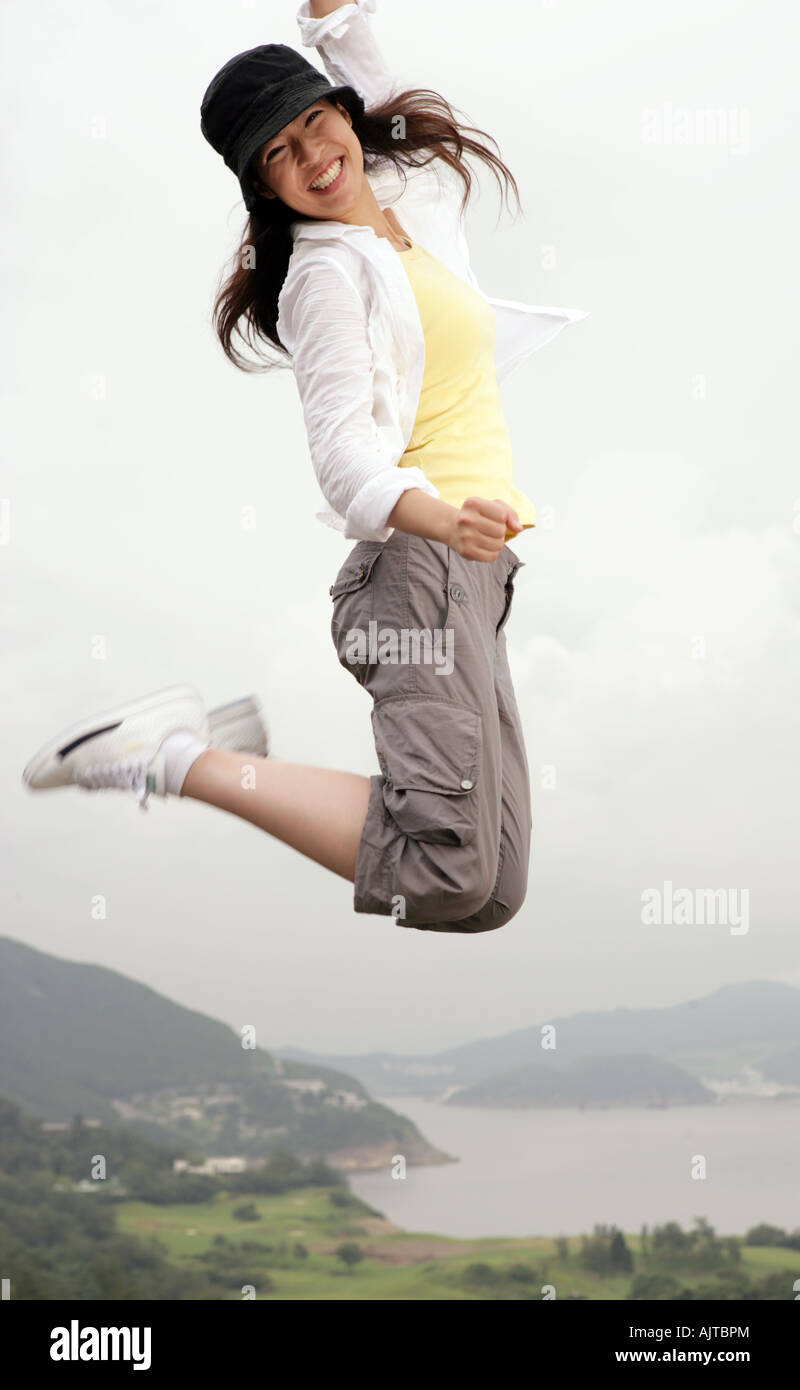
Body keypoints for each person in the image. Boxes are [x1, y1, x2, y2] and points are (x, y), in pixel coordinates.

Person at [22, 0, 587, 935]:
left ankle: (214, 753)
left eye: (315, 124)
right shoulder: (325, 278)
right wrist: (441, 519)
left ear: (343, 115)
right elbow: (342, 460)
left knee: (492, 892)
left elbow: (355, 49)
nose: (312, 157)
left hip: (478, 579)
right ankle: (176, 758)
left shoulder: (409, 200)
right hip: (417, 568)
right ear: (265, 189)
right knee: (446, 865)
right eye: (277, 156)